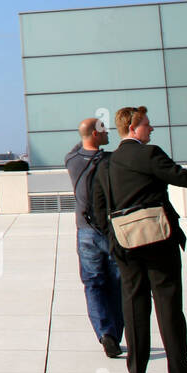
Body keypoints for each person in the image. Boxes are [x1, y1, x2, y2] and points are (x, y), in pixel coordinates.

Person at [92, 106, 187, 373]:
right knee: (168, 303)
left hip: (124, 243)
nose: (151, 129)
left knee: (134, 305)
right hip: (158, 239)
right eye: (147, 124)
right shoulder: (149, 154)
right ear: (133, 128)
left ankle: (136, 371)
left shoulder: (106, 164)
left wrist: (113, 237)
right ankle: (178, 371)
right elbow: (186, 178)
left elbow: (98, 208)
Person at [65, 118, 125, 358]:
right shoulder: (110, 162)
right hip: (110, 230)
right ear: (94, 134)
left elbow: (77, 144)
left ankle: (105, 333)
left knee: (93, 283)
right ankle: (115, 335)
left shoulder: (71, 160)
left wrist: (87, 133)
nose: (108, 133)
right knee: (117, 284)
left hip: (85, 231)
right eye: (103, 130)